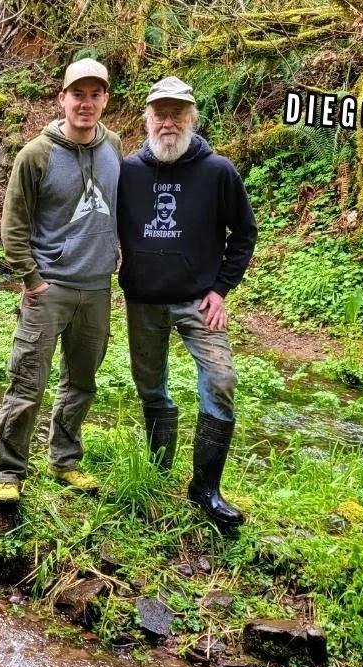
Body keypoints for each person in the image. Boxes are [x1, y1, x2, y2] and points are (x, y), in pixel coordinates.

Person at [116, 76, 258, 528]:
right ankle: (158, 474)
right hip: (143, 302)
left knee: (221, 379)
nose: (168, 122)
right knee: (151, 388)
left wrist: (220, 289)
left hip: (199, 303)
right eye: (160, 113)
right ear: (147, 118)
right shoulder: (127, 171)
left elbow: (245, 233)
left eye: (177, 113)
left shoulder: (218, 171)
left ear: (192, 117)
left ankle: (206, 489)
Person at [0, 58, 123, 506]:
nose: (86, 103)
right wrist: (31, 279)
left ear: (105, 99)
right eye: (77, 94)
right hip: (49, 289)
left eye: (95, 95)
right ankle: (9, 471)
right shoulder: (36, 154)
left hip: (97, 289)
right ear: (62, 98)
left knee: (81, 383)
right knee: (27, 381)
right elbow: (13, 224)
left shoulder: (114, 147)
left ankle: (65, 460)